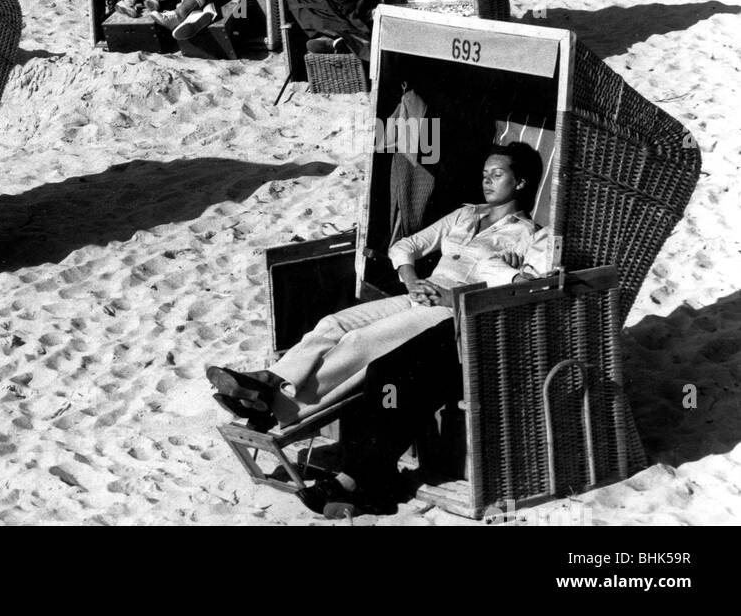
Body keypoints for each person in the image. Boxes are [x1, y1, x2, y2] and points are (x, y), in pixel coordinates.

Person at [205, 145, 548, 510]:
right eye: (485, 173)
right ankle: (267, 382)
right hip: (418, 295)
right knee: (333, 323)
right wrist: (412, 279)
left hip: (449, 313)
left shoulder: (532, 236)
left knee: (360, 342)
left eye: (497, 174)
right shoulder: (465, 215)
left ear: (521, 183)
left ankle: (273, 407)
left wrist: (496, 274)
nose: (487, 180)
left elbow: (529, 290)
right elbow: (406, 246)